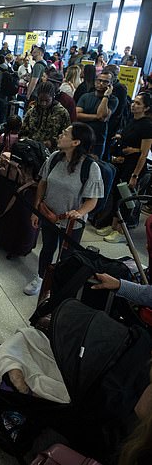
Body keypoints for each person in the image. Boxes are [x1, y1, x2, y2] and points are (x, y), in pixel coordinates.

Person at [25, 123, 103, 296]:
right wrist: (36, 209)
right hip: (49, 215)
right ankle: (41, 277)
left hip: (71, 223)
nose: (60, 135)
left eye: (65, 133)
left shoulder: (90, 167)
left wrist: (80, 212)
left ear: (76, 142)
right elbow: (43, 183)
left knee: (67, 256)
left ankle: (58, 286)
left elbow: (92, 200)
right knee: (47, 248)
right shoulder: (54, 158)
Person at [97, 92, 152, 243]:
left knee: (127, 198)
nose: (134, 105)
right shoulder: (132, 120)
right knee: (116, 194)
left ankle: (122, 231)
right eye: (134, 102)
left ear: (146, 108)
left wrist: (135, 175)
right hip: (122, 164)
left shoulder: (147, 125)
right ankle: (114, 226)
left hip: (134, 167)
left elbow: (144, 153)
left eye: (138, 103)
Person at [76, 70, 118, 158]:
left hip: (97, 140)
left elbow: (102, 115)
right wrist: (96, 117)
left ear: (110, 85)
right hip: (81, 136)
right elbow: (77, 115)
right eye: (99, 80)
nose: (101, 83)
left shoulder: (113, 100)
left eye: (105, 82)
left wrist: (106, 96)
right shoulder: (86, 96)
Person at [21, 82, 71, 150]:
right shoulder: (32, 110)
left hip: (51, 151)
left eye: (47, 100)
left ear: (53, 97)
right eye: (41, 100)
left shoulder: (61, 113)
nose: (43, 103)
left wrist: (52, 142)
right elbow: (23, 130)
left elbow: (66, 136)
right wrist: (26, 140)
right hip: (30, 148)